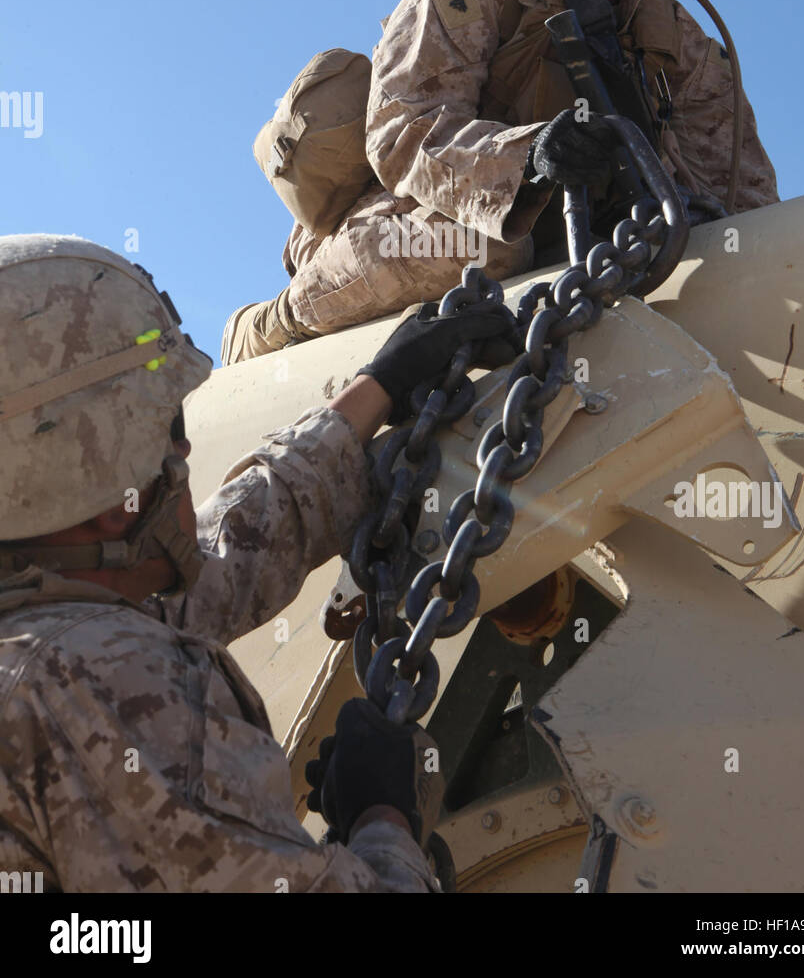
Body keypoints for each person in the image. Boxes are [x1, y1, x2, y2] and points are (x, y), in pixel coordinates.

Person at [0, 233, 513, 892]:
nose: (184, 453)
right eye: (170, 432)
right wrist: (384, 820)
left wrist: (375, 391)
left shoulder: (43, 623)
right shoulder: (101, 677)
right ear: (115, 497)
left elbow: (214, 565)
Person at [222, 0, 778, 365]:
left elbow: (743, 197)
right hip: (430, 214)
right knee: (478, 249)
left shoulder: (683, 42)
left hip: (585, 239)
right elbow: (403, 130)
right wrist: (531, 157)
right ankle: (273, 324)